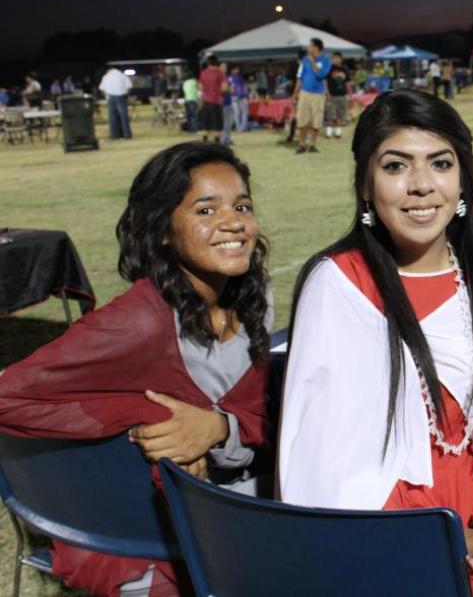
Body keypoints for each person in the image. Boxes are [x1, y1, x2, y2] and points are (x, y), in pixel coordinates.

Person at [278, 89, 473, 596]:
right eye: (396, 166)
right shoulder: (339, 284)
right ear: (365, 183)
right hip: (392, 518)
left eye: (440, 164)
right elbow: (330, 472)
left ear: (463, 177)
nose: (422, 186)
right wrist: (463, 540)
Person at [0, 142, 272, 596]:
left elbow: (260, 405)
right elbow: (9, 395)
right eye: (206, 210)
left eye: (241, 205)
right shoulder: (139, 323)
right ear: (163, 229)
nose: (233, 221)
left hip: (240, 489)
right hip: (161, 531)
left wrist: (217, 428)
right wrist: (145, 414)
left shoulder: (254, 292)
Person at [292, 38, 331, 154]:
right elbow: (299, 77)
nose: (308, 48)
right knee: (302, 119)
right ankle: (302, 145)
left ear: (316, 47)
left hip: (319, 94)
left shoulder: (325, 61)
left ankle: (313, 145)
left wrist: (312, 61)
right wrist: (295, 93)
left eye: (310, 45)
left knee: (316, 120)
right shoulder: (304, 60)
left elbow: (321, 75)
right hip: (305, 93)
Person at [99, 66, 132, 139]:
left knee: (112, 117)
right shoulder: (122, 75)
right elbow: (129, 86)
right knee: (124, 116)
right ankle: (127, 134)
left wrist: (107, 94)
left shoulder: (106, 76)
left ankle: (114, 135)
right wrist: (125, 94)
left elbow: (101, 88)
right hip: (120, 96)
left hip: (110, 97)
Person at [198, 56, 226, 143]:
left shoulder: (203, 73)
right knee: (216, 125)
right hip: (216, 101)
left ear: (208, 63)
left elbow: (200, 87)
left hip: (205, 101)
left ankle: (204, 141)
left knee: (205, 125)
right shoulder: (220, 73)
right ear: (216, 63)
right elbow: (224, 88)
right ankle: (217, 143)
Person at [324, 52, 350, 139]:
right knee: (330, 115)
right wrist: (327, 93)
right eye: (334, 58)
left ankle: (338, 133)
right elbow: (325, 82)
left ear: (341, 59)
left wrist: (349, 93)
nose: (336, 60)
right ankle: (329, 133)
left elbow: (348, 82)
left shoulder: (344, 69)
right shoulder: (328, 69)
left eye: (338, 58)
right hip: (332, 95)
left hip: (343, 95)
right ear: (331, 59)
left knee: (340, 115)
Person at [229, 64, 249, 132]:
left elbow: (245, 85)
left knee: (244, 111)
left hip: (241, 96)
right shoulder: (230, 78)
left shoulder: (239, 77)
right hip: (234, 96)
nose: (237, 70)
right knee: (237, 112)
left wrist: (245, 94)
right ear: (232, 70)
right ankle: (238, 128)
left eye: (238, 69)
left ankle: (243, 127)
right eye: (236, 69)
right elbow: (231, 87)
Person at [219, 62, 235, 146]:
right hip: (222, 103)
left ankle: (227, 139)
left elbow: (232, 90)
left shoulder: (227, 78)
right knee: (224, 123)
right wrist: (228, 88)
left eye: (225, 67)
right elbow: (223, 89)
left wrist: (228, 88)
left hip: (228, 102)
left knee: (229, 122)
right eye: (223, 67)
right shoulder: (219, 77)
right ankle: (223, 140)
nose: (225, 69)